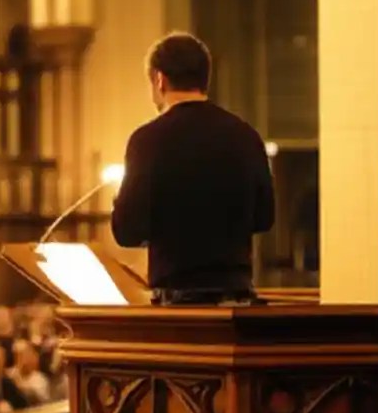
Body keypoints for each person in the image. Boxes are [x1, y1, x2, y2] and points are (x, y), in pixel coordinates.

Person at [112, 31, 275, 306]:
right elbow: (264, 218)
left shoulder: (147, 140)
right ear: (204, 78)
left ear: (159, 79)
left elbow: (127, 231)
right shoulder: (245, 135)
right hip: (237, 302)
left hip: (178, 307)